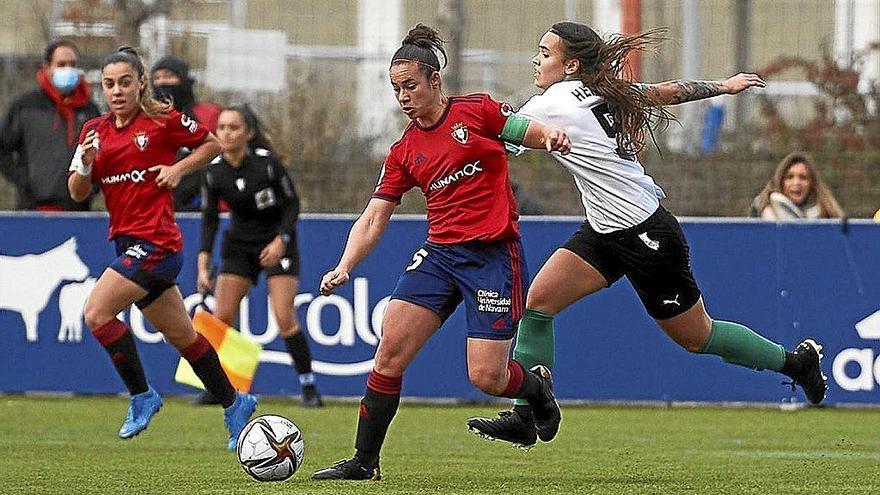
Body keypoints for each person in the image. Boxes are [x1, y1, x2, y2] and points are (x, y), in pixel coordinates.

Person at [467, 22, 829, 449]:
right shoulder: (605, 93)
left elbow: (497, 133)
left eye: (545, 53)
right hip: (606, 230)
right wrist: (724, 86)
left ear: (571, 65)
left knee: (698, 337)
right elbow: (670, 91)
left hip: (645, 234)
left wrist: (450, 126)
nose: (536, 60)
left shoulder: (553, 103)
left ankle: (796, 362)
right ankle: (528, 415)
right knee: (538, 304)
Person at [310, 24, 571, 481]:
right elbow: (373, 218)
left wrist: (547, 134)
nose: (403, 96)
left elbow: (519, 127)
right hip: (440, 257)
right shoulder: (404, 150)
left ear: (435, 80)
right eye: (395, 88)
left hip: (492, 256)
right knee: (389, 352)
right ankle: (364, 462)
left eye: (410, 85)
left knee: (487, 378)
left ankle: (538, 390)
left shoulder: (476, 111)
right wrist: (344, 266)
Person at [67, 47, 256, 451]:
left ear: (140, 84)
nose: (116, 90)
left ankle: (142, 396)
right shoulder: (94, 132)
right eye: (109, 83)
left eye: (125, 82)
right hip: (127, 242)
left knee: (97, 313)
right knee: (183, 337)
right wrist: (84, 163)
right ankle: (234, 402)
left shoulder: (161, 121)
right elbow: (77, 191)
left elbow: (210, 144)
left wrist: (177, 168)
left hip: (157, 243)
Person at [197, 105, 323, 407]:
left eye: (234, 127)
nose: (226, 133)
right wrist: (203, 262)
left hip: (277, 243)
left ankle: (308, 387)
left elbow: (292, 206)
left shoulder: (267, 166)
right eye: (222, 127)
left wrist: (282, 240)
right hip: (240, 245)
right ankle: (222, 388)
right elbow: (210, 218)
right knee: (222, 317)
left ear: (248, 133)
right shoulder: (213, 172)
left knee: (283, 316)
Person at [0, 39, 100, 211]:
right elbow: (2, 149)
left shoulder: (89, 110)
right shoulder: (25, 105)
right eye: (61, 64)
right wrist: (24, 182)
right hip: (33, 210)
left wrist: (91, 189)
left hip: (78, 211)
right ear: (46, 68)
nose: (68, 69)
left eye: (72, 64)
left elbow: (102, 154)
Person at [151, 55, 223, 211]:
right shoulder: (148, 119)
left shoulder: (209, 114)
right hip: (157, 205)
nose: (162, 82)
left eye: (169, 76)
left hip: (200, 205)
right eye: (157, 78)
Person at [749, 151, 844, 219]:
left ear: (812, 183)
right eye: (789, 177)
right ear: (780, 181)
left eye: (803, 177)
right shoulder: (761, 214)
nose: (796, 183)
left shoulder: (829, 218)